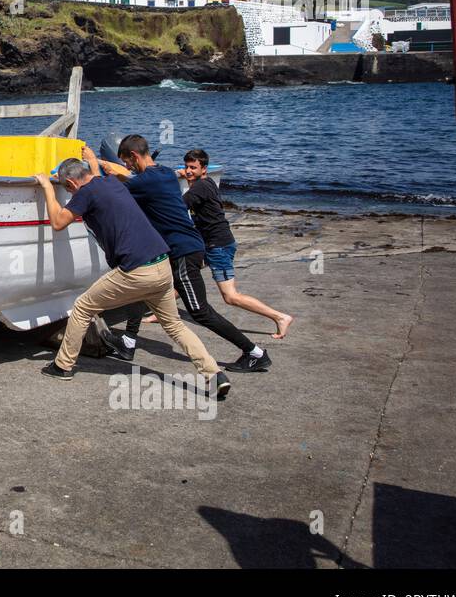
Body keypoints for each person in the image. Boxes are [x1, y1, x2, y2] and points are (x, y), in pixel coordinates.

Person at [34, 149, 231, 399]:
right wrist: (93, 159)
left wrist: (47, 188)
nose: (72, 194)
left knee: (83, 307)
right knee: (174, 325)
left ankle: (62, 366)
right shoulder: (108, 182)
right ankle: (215, 375)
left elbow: (58, 222)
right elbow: (94, 173)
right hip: (161, 264)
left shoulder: (84, 193)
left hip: (136, 270)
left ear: (72, 183)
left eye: (69, 189)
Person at [111, 135, 271, 373]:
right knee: (144, 290)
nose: (127, 167)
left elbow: (117, 187)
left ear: (134, 156)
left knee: (200, 311)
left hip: (184, 252)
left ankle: (254, 353)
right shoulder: (165, 173)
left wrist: (97, 166)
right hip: (175, 250)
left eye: (127, 162)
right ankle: (128, 342)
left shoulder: (144, 182)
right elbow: (130, 178)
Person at [180, 148, 293, 339]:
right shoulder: (206, 183)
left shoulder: (200, 187)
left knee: (230, 296)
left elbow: (177, 206)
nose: (188, 170)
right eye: (186, 166)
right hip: (214, 243)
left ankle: (280, 317)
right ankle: (165, 315)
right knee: (182, 275)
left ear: (204, 169)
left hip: (218, 246)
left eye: (193, 167)